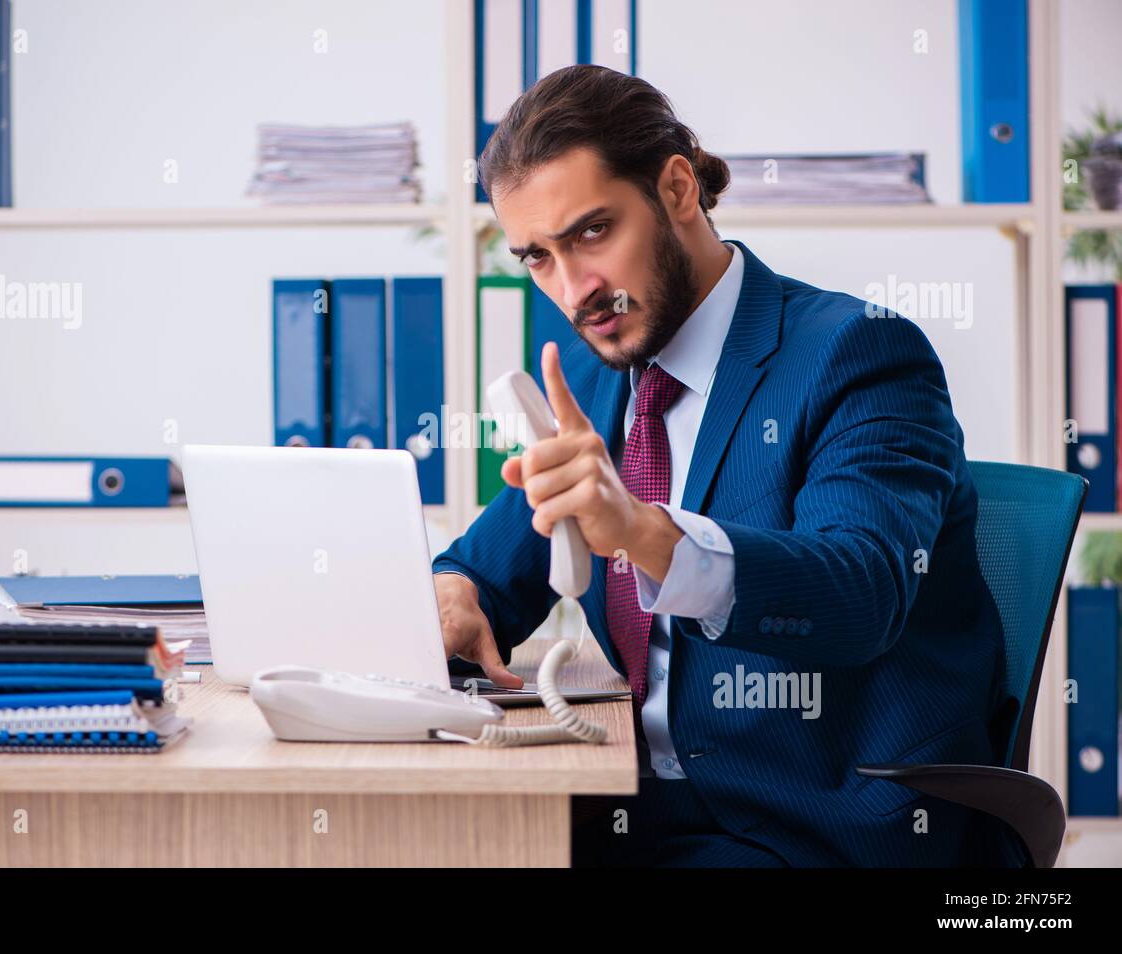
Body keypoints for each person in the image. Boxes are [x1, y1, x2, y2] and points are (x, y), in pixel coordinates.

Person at [431, 65, 1023, 867]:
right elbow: (486, 566)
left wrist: (643, 530)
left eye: (593, 232)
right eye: (539, 257)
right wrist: (454, 595)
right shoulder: (604, 372)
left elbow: (861, 589)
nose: (575, 289)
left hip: (823, 832)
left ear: (677, 188)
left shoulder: (859, 353)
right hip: (649, 809)